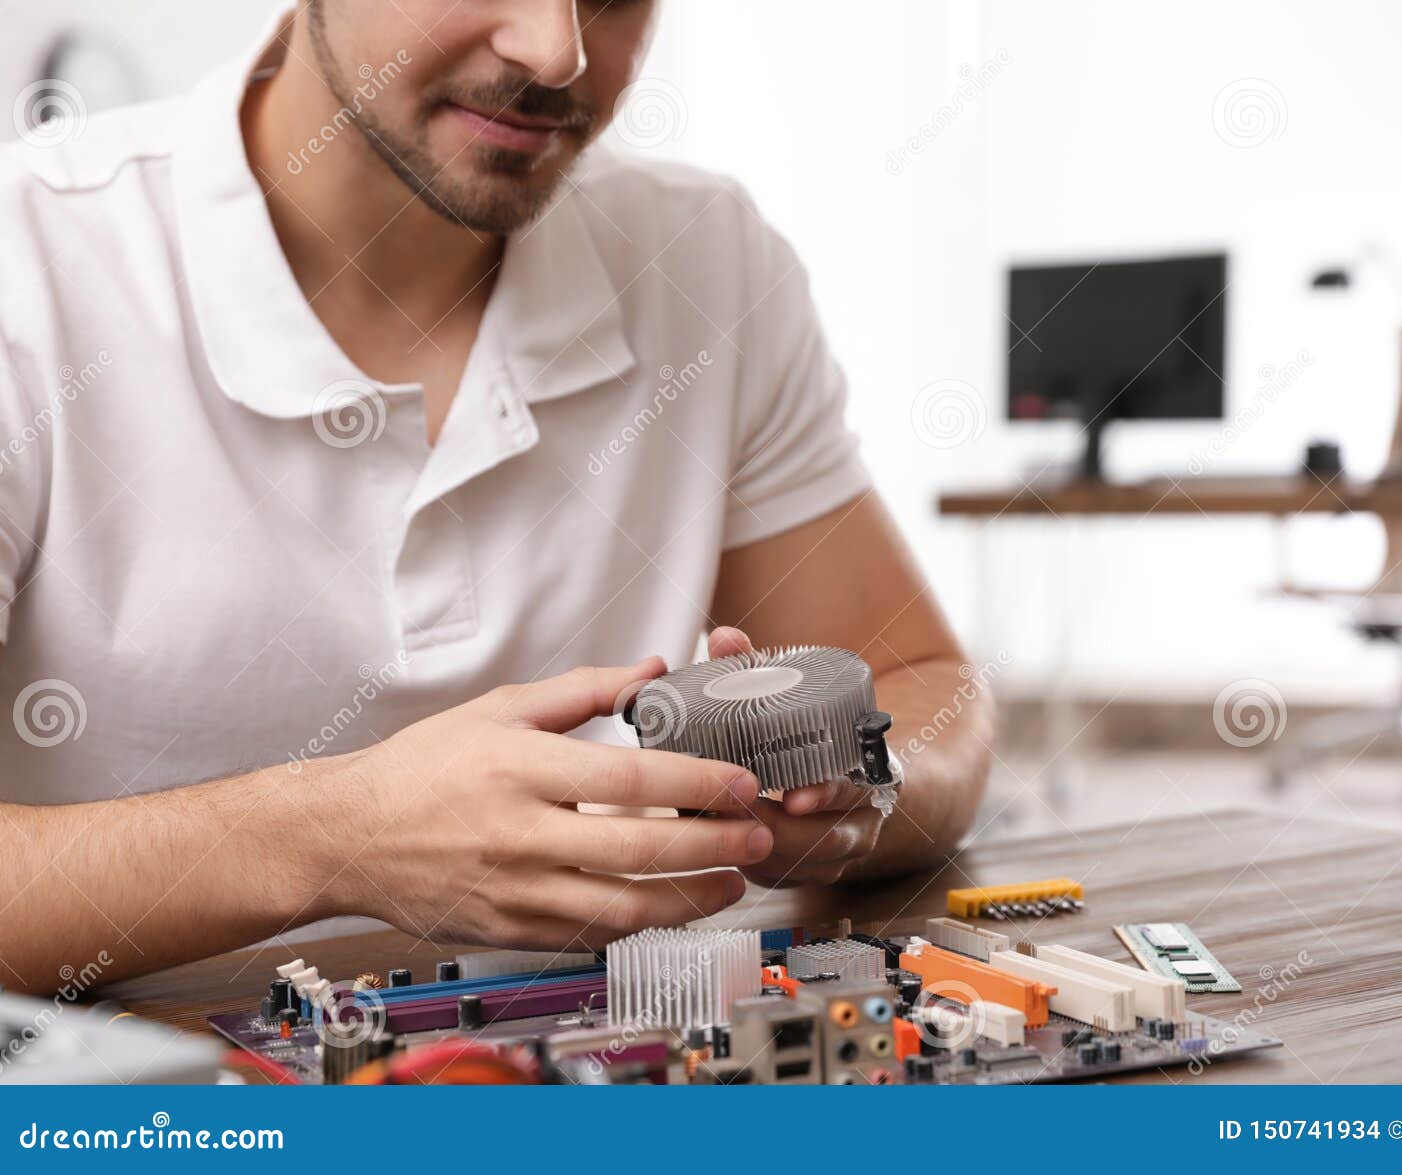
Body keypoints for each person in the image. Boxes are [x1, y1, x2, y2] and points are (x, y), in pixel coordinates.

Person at [0, 0, 990, 996]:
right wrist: (338, 837)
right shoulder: (30, 262)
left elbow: (923, 684)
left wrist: (858, 795)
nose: (555, 54)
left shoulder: (703, 257)